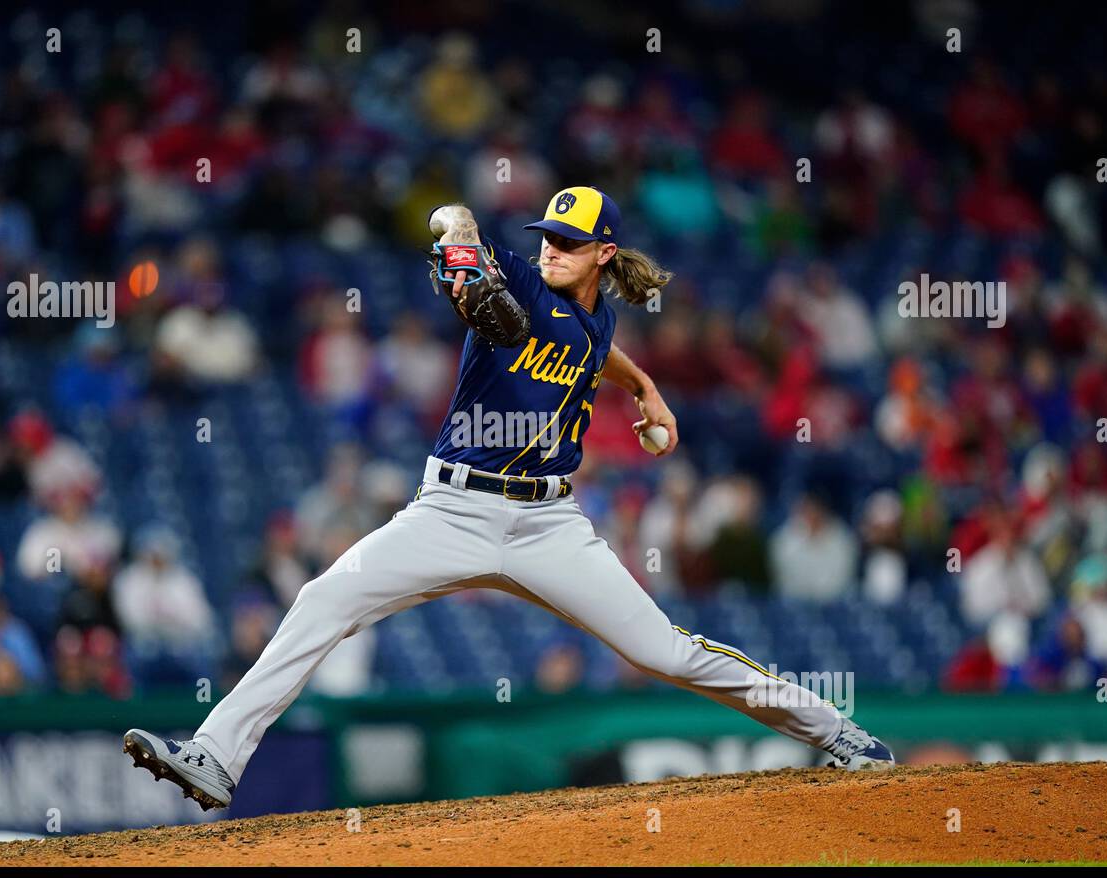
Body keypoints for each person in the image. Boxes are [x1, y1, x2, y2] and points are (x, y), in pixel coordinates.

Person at [125, 186, 895, 810]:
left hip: (549, 524)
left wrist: (647, 387)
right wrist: (457, 241)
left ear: (604, 254)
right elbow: (453, 226)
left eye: (567, 241)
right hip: (450, 511)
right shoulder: (519, 280)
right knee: (323, 601)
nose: (550, 248)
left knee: (663, 651)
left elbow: (596, 349)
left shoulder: (599, 315)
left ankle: (838, 733)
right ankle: (215, 759)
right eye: (546, 236)